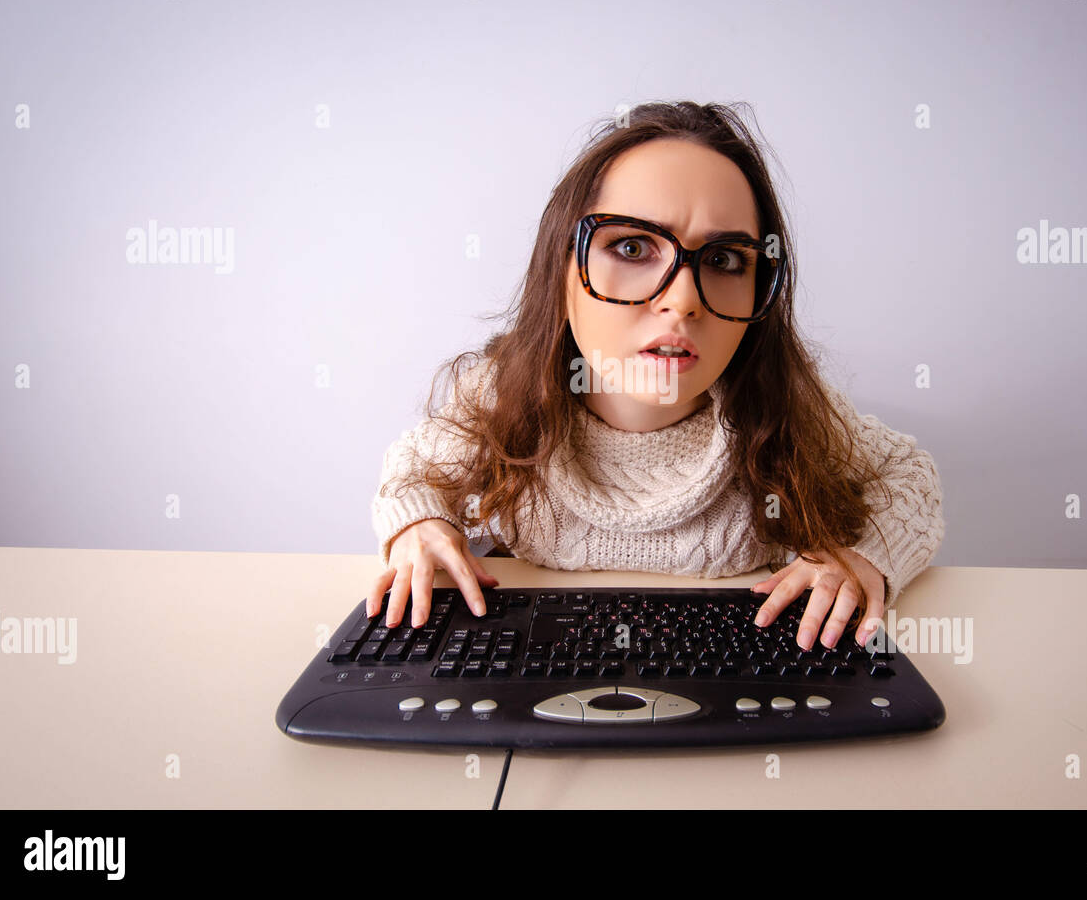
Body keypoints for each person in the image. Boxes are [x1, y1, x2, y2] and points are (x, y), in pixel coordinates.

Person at [368, 100, 945, 651]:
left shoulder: (784, 404)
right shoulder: (505, 395)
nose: (683, 300)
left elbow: (908, 475)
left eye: (723, 261)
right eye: (633, 246)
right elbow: (413, 469)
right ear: (563, 265)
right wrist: (417, 525)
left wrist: (865, 554)